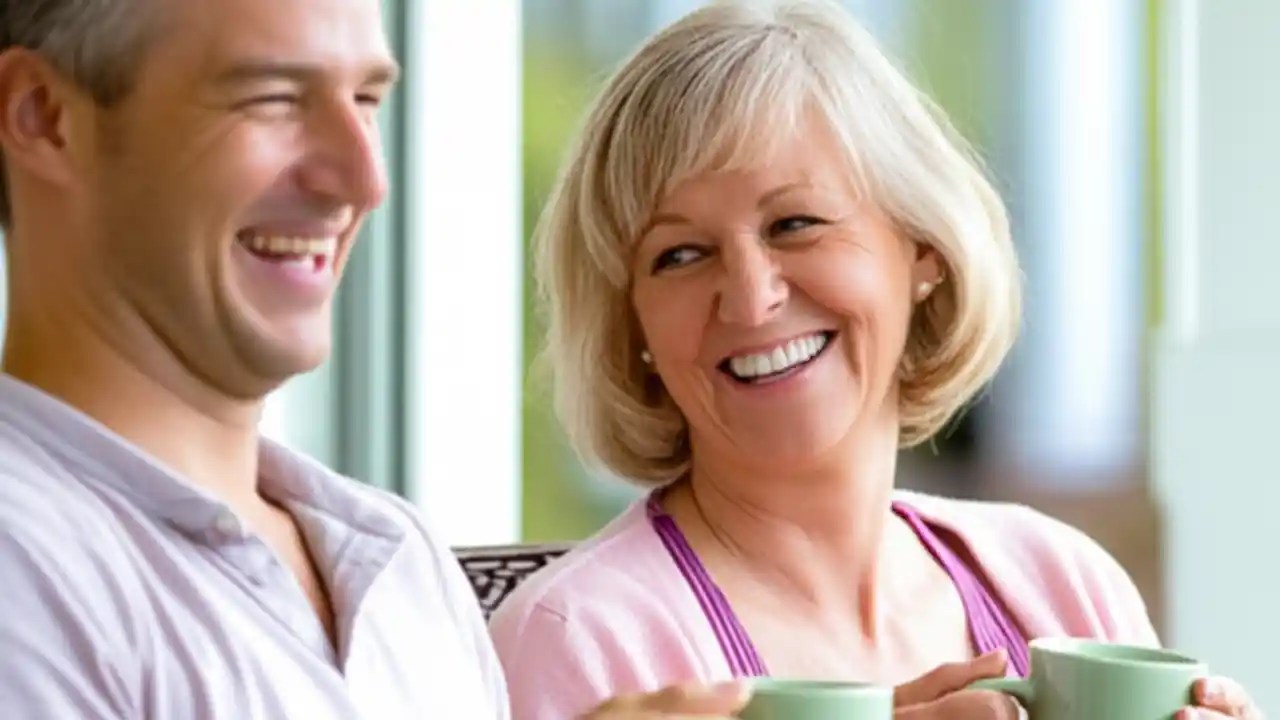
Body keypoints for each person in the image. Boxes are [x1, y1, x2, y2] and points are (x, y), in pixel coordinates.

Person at [489, 1, 1262, 719]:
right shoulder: (577, 641)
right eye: (681, 255)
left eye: (795, 223)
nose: (751, 298)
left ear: (923, 250)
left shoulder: (1061, 583)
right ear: (634, 325)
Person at [0, 0, 744, 717]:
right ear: (43, 115)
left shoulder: (399, 561)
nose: (364, 179)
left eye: (365, 99)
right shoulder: (25, 567)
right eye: (272, 98)